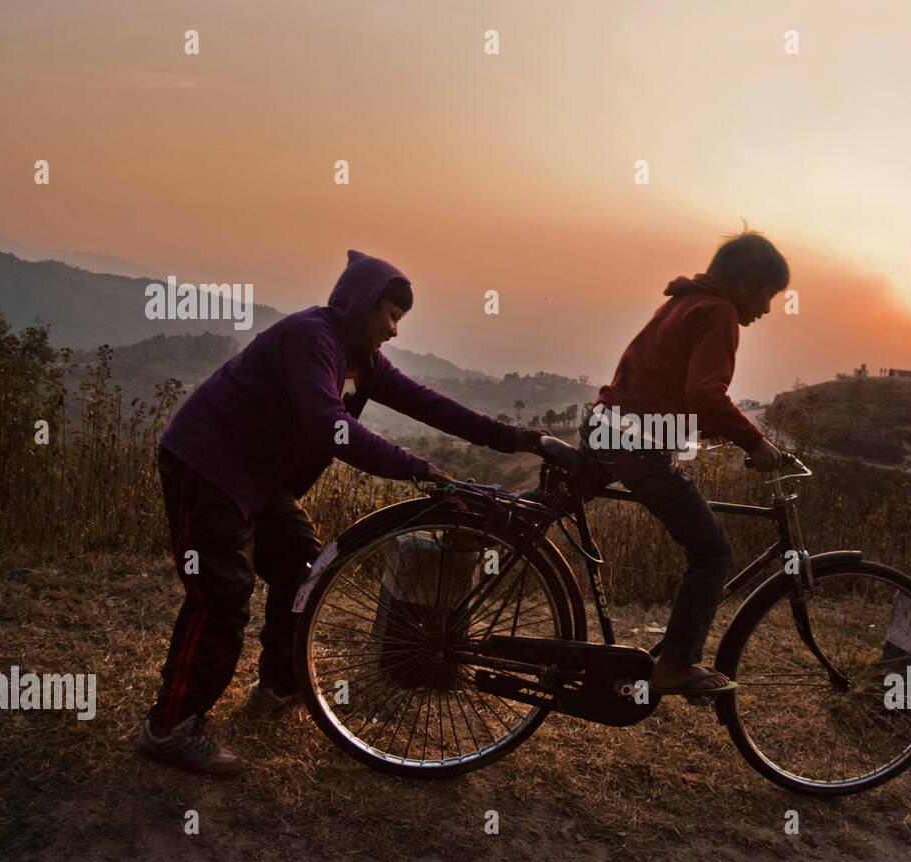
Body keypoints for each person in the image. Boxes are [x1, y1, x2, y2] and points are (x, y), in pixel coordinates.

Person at [137, 249, 545, 777]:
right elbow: (333, 427)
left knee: (307, 569)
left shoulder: (363, 360)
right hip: (207, 466)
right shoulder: (311, 337)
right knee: (222, 595)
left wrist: (510, 437)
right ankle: (169, 727)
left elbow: (428, 403)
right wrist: (416, 468)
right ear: (359, 303)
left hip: (259, 481)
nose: (395, 330)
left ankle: (279, 686)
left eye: (401, 318)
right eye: (391, 315)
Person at [580, 229, 788, 694]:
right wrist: (754, 442)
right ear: (745, 285)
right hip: (636, 443)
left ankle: (486, 526)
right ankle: (675, 664)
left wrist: (709, 426)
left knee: (551, 505)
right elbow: (705, 391)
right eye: (769, 294)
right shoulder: (719, 312)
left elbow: (665, 380)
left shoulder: (683, 301)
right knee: (712, 551)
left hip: (604, 426)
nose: (768, 308)